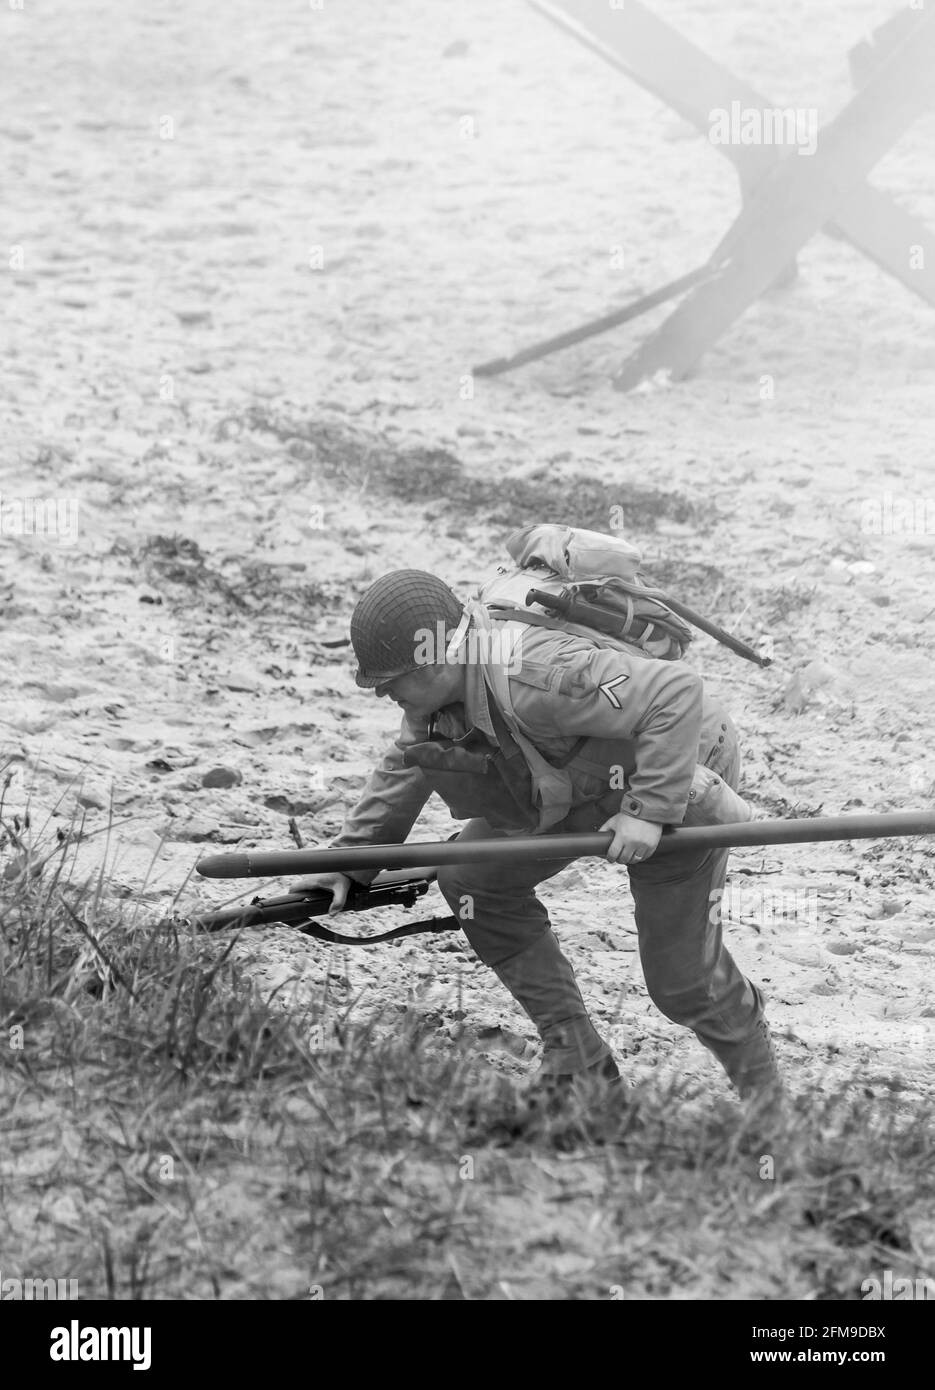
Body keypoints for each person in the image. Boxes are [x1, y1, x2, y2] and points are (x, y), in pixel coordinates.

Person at [293, 567, 782, 1107]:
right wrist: (349, 861)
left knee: (681, 981)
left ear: (437, 659)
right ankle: (581, 1064)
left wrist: (647, 810)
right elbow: (408, 762)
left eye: (391, 682)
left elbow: (676, 695)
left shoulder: (537, 674)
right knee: (473, 880)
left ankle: (770, 1108)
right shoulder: (435, 696)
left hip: (674, 766)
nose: (384, 693)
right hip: (571, 777)